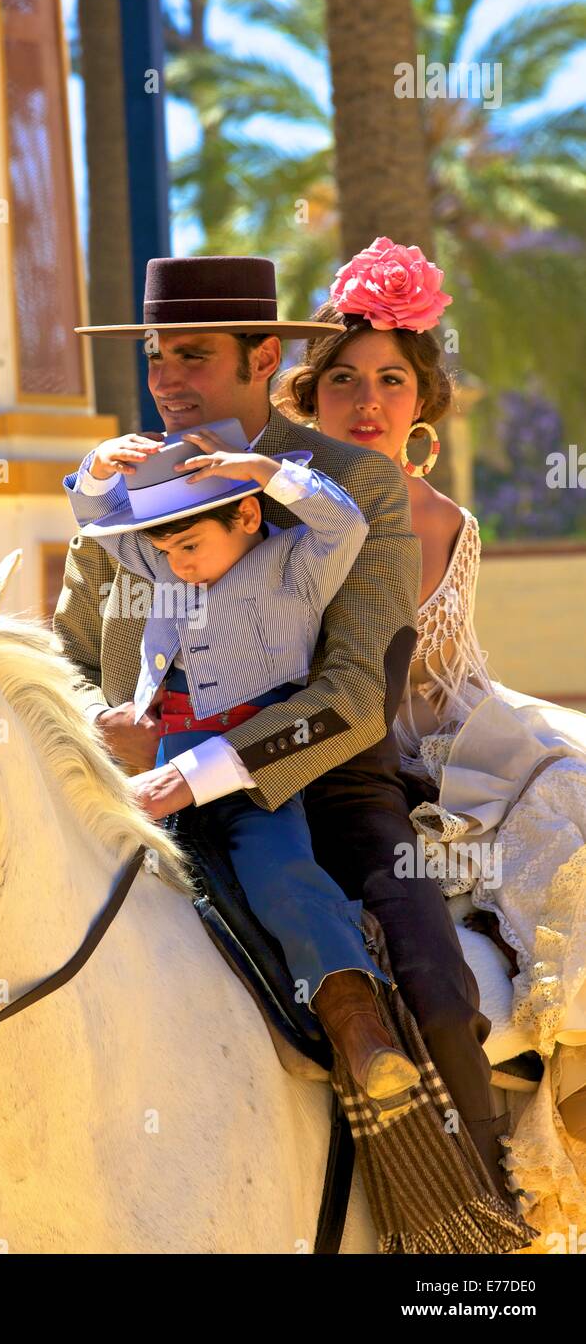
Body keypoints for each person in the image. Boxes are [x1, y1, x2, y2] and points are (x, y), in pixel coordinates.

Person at [50, 254, 512, 1200]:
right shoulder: (116, 488)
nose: (169, 381)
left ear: (263, 356)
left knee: (435, 979)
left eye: (194, 357)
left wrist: (200, 767)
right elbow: (69, 647)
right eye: (155, 358)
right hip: (133, 787)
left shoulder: (352, 485)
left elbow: (354, 696)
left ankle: (474, 1230)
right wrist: (100, 727)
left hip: (332, 784)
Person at [275, 234, 586, 1236]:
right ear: (310, 398)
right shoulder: (265, 505)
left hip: (437, 746)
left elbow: (397, 686)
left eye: (390, 381)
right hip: (305, 758)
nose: (366, 401)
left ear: (420, 403)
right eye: (345, 382)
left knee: (560, 826)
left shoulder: (441, 519)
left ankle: (520, 1179)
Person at [62, 415, 420, 1110]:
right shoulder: (162, 558)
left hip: (255, 767)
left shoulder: (296, 567)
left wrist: (268, 471)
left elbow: (341, 524)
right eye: (163, 550)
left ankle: (356, 1022)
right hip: (162, 751)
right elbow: (98, 517)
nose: (176, 564)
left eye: (190, 545)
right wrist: (101, 468)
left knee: (279, 871)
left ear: (249, 515)